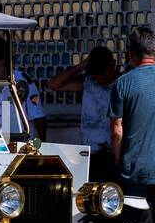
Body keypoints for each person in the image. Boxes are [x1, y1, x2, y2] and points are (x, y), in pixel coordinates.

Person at [108, 27, 155, 223]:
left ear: (130, 54)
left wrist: (118, 158)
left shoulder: (123, 84)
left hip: (134, 170)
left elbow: (117, 131)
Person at [47, 46, 120, 181]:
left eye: (103, 73)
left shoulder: (123, 84)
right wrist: (81, 66)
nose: (99, 78)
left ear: (112, 65)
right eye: (96, 74)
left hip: (115, 154)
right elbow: (54, 84)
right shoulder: (88, 82)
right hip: (91, 154)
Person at [0, 37, 46, 144]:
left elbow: (38, 117)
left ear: (2, 59)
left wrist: (41, 147)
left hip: (19, 144)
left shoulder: (23, 81)